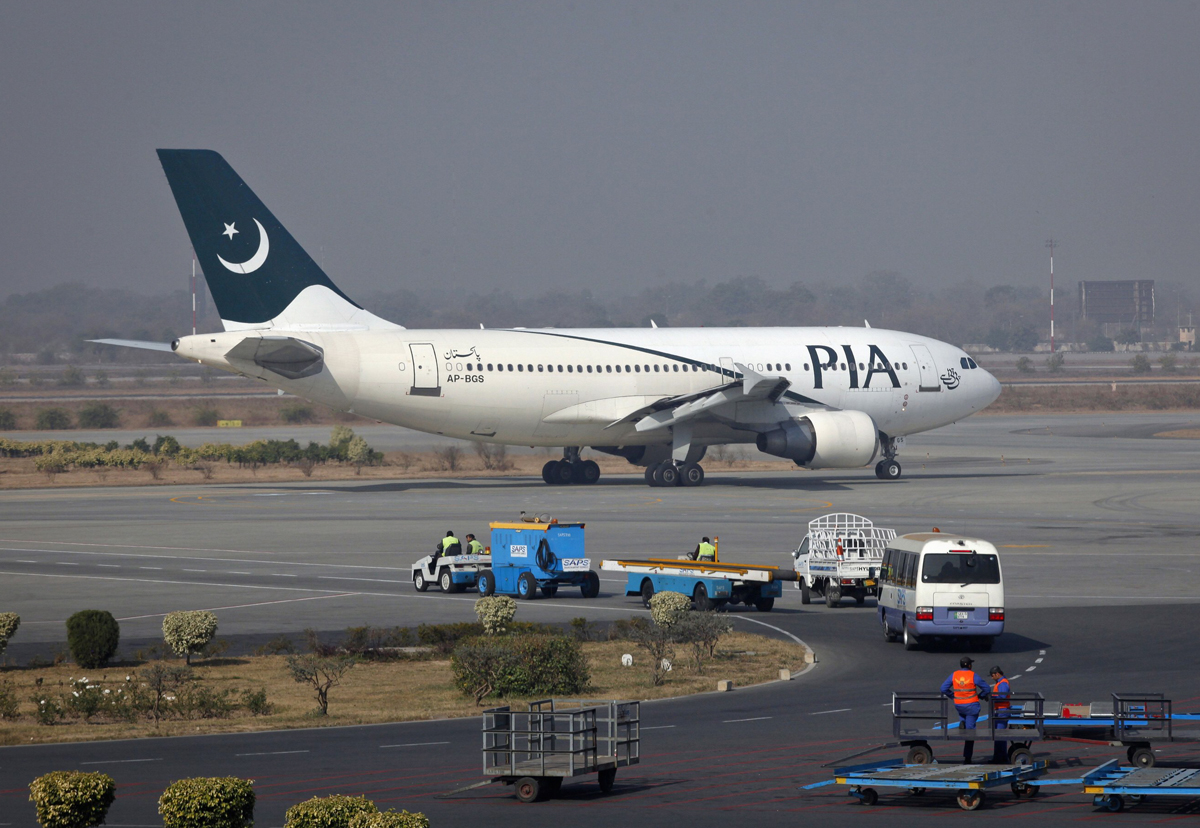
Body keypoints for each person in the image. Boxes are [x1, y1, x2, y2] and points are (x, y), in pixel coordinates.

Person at [940, 656, 990, 764]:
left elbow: (943, 688)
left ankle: (962, 722)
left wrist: (953, 696)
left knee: (965, 721)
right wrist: (981, 696)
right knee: (970, 732)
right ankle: (967, 757)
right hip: (971, 706)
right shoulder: (973, 675)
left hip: (959, 705)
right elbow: (987, 688)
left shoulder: (954, 674)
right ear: (970, 665)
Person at [989, 665, 1011, 763]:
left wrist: (992, 698)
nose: (991, 677)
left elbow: (1002, 696)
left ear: (997, 674)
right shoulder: (1000, 682)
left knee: (1000, 736)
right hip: (999, 711)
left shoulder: (1003, 683)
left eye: (992, 675)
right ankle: (998, 757)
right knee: (998, 736)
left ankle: (1001, 758)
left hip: (1002, 711)